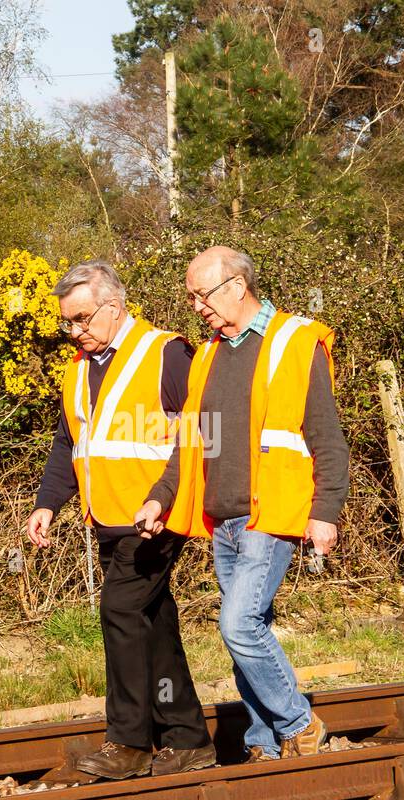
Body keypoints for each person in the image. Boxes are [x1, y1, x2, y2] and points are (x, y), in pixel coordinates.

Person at [134, 246, 349, 762]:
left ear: (236, 285)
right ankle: (262, 742)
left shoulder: (297, 341)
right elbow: (190, 442)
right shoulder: (206, 353)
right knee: (245, 632)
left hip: (269, 514)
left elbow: (326, 435)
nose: (195, 306)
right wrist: (160, 497)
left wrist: (327, 511)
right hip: (223, 519)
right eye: (190, 297)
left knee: (239, 625)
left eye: (201, 294)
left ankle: (300, 722)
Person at [26, 260, 215, 779]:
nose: (74, 332)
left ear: (114, 308)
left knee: (119, 609)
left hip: (155, 515)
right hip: (106, 516)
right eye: (67, 323)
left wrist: (163, 497)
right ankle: (187, 737)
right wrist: (48, 503)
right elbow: (71, 443)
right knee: (152, 622)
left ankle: (128, 741)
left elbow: (198, 436)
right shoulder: (78, 366)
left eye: (82, 319)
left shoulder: (166, 353)